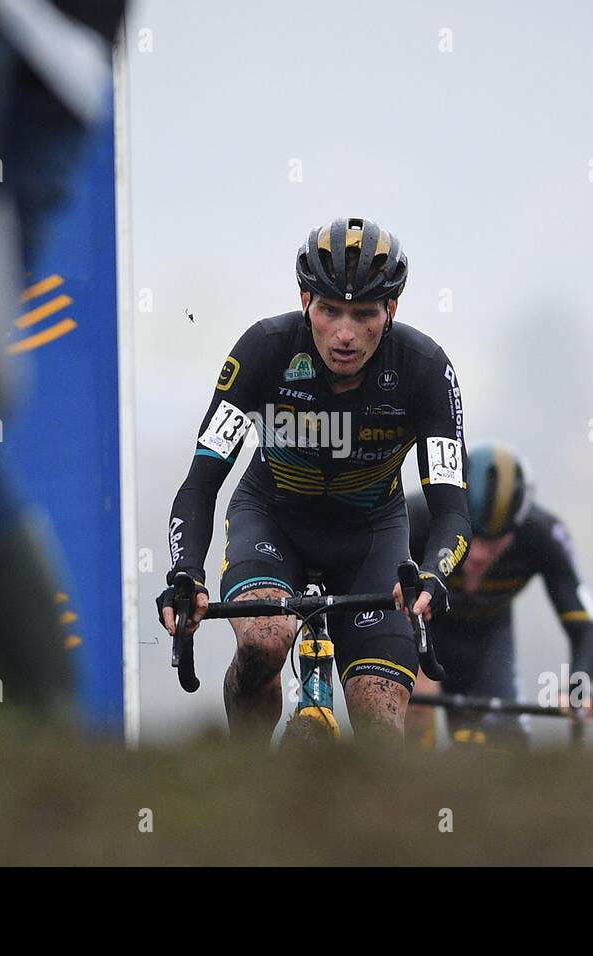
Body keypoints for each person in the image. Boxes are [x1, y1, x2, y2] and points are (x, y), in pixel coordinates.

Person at [157, 217, 471, 745]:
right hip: (272, 520)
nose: (345, 334)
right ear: (305, 301)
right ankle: (246, 775)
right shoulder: (264, 350)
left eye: (364, 313)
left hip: (371, 538)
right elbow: (201, 482)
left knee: (380, 723)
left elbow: (452, 508)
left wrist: (436, 575)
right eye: (329, 311)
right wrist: (185, 572)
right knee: (264, 641)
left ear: (390, 311)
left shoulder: (425, 370)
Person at [406, 445, 593, 748]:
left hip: (487, 643)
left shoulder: (543, 536)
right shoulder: (417, 518)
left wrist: (578, 687)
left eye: (496, 541)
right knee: (414, 709)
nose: (479, 555)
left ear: (518, 529)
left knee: (503, 753)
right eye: (471, 534)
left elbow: (585, 631)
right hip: (419, 631)